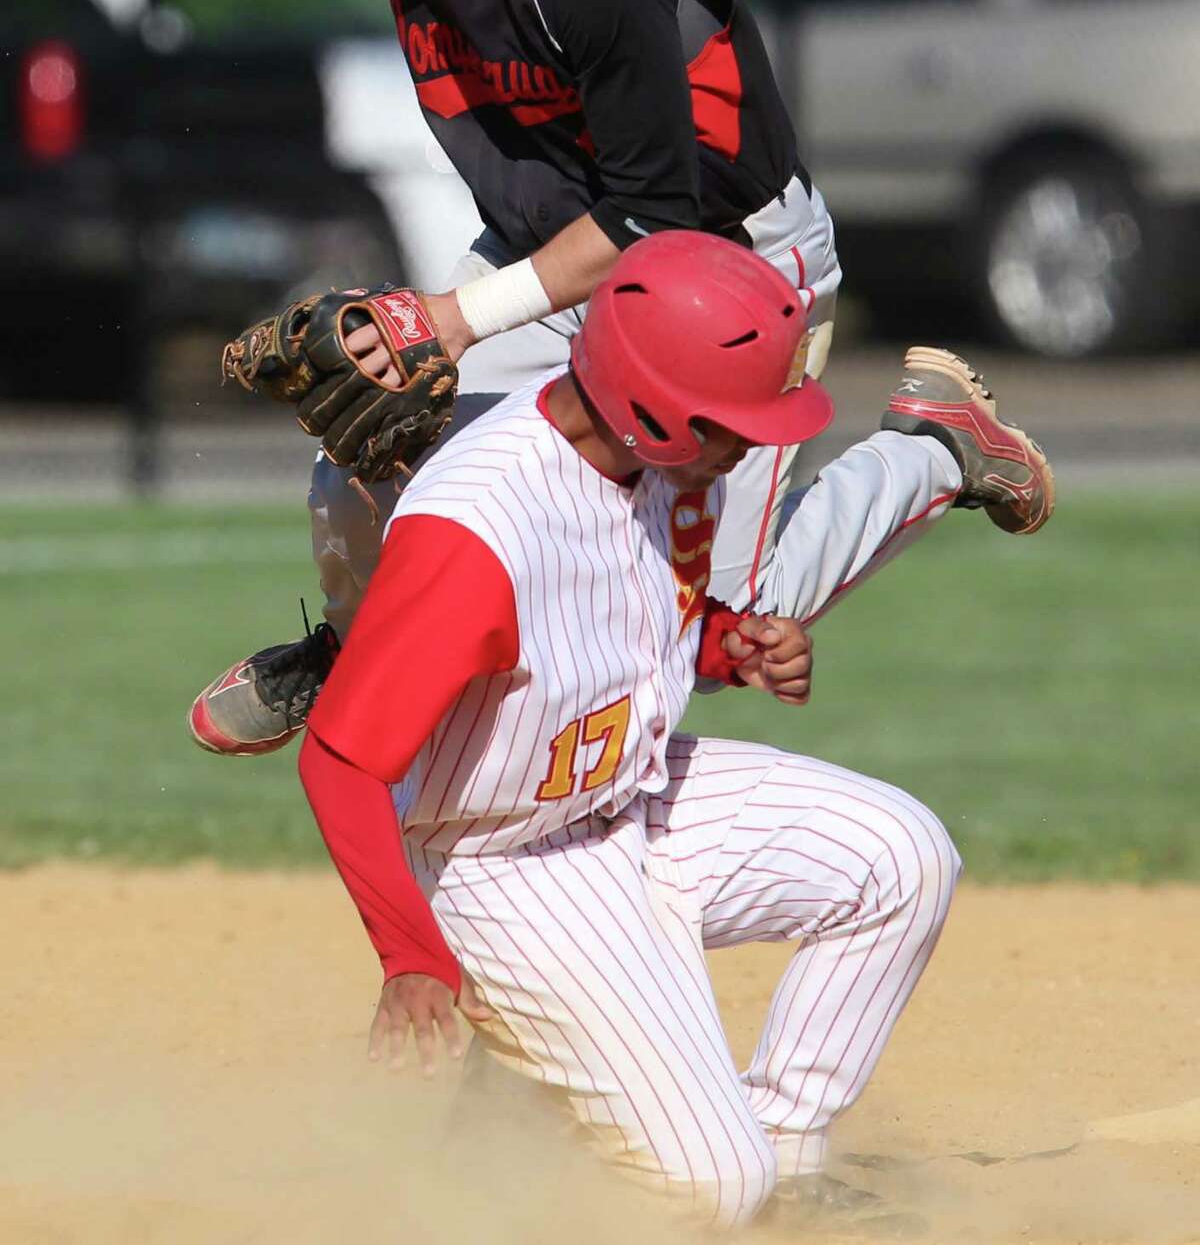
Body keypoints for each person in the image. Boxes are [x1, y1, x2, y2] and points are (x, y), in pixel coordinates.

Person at [294, 231, 1051, 1229]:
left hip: (630, 797)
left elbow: (625, 620)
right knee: (712, 1183)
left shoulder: (647, 460)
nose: (752, 446)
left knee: (901, 857)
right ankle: (538, 1155)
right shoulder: (479, 529)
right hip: (500, 864)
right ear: (652, 409)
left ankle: (784, 1160)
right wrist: (412, 956)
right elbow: (340, 759)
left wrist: (733, 646)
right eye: (734, 427)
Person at [189, 0, 844, 756]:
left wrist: (451, 319)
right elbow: (528, 167)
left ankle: (925, 459)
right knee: (370, 454)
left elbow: (653, 214)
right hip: (573, 239)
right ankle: (354, 653)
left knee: (711, 619)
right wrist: (421, 323)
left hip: (728, 263)